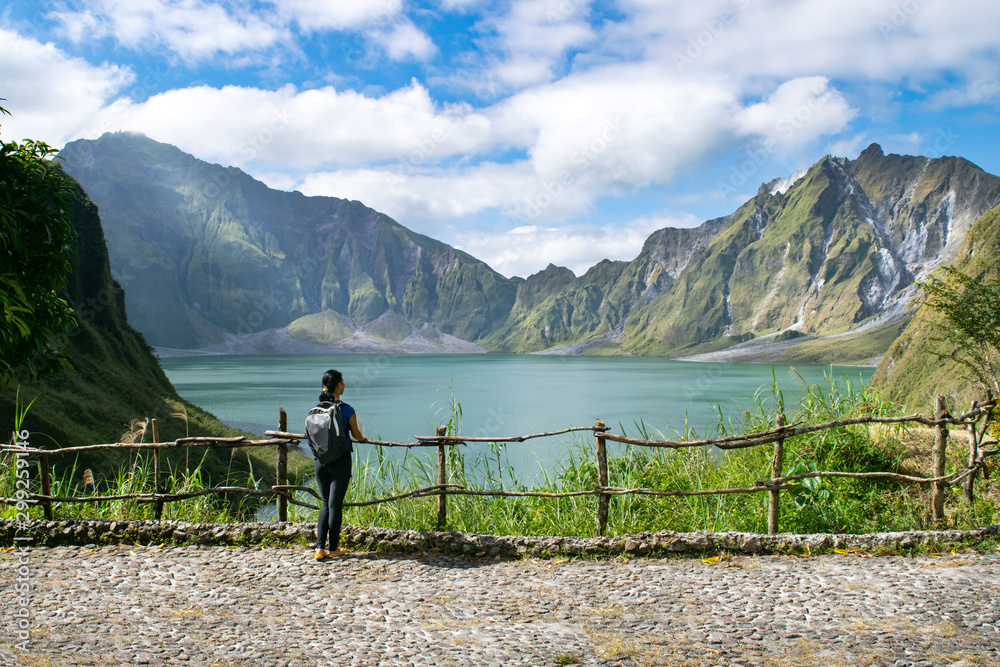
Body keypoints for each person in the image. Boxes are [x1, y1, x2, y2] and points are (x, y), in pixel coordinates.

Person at [313, 368, 366, 561]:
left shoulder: (316, 407)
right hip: (340, 461)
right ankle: (333, 548)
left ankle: (319, 548)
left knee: (325, 503)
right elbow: (356, 435)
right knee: (335, 504)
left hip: (320, 461)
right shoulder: (346, 409)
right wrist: (363, 438)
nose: (344, 384)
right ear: (338, 385)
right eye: (342, 381)